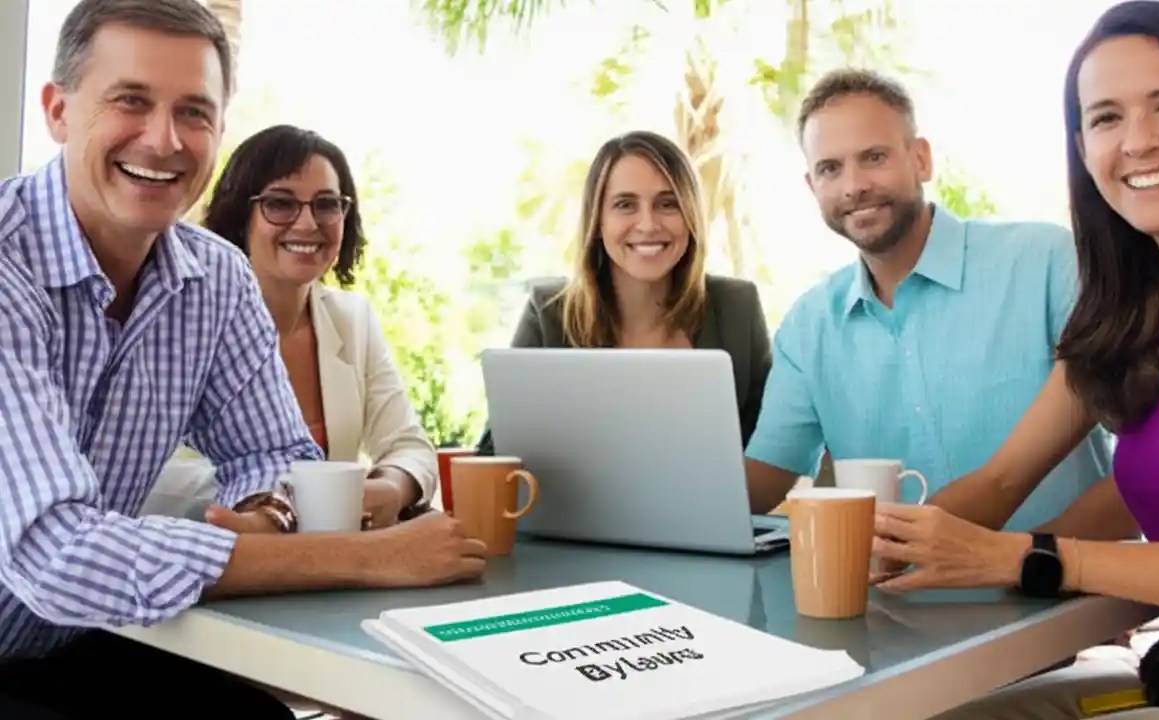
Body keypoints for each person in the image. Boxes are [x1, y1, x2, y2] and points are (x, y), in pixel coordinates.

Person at [0, 2, 485, 717]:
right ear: (58, 110)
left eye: (194, 112)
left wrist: (267, 512)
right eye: (131, 100)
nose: (164, 140)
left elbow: (278, 455)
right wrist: (373, 557)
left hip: (70, 640)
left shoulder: (217, 278)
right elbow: (56, 553)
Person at [871, 3, 1159, 717]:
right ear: (1083, 148)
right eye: (1106, 119)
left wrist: (1024, 558)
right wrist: (885, 554)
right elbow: (1001, 481)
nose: (1139, 142)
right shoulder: (1129, 301)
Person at [743, 68, 1116, 534]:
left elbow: (1152, 456)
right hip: (894, 599)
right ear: (812, 185)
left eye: (874, 157)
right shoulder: (806, 326)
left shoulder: (1046, 261)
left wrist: (1032, 561)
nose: (853, 185)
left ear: (920, 159)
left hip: (1059, 593)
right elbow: (764, 480)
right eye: (830, 168)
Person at [148, 124, 438, 529]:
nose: (307, 224)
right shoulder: (178, 320)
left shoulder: (351, 320)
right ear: (238, 217)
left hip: (324, 573)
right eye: (280, 204)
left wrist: (392, 487)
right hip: (207, 563)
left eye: (327, 204)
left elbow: (409, 446)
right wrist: (289, 505)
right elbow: (159, 478)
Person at [477, 130, 772, 454]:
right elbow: (495, 453)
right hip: (575, 507)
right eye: (625, 205)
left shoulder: (736, 308)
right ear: (598, 222)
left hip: (709, 506)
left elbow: (769, 446)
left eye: (668, 203)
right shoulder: (549, 313)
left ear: (691, 217)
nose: (648, 224)